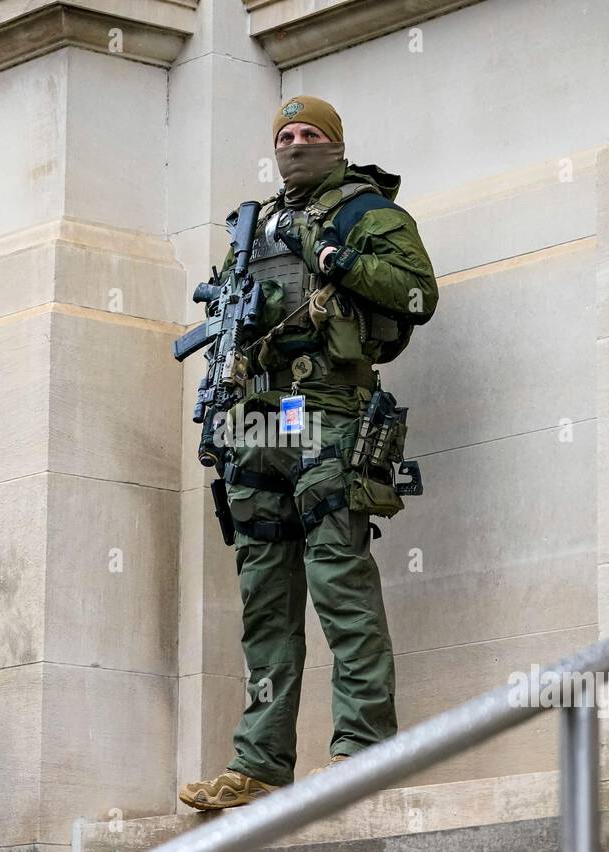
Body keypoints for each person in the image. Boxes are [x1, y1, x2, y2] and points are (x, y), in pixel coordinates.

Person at [179, 95, 439, 811]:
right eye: (286, 136)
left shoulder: (365, 213)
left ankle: (362, 749)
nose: (296, 145)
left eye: (310, 135)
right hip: (255, 420)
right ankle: (258, 764)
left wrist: (336, 258)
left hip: (326, 411)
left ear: (335, 144)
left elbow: (418, 294)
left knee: (339, 582)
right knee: (264, 598)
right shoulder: (253, 225)